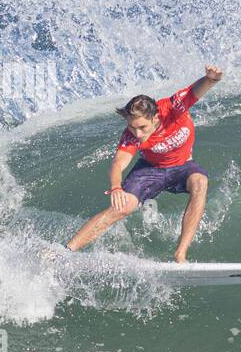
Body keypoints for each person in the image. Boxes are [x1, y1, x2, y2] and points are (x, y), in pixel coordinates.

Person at [65, 65, 224, 263]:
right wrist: (116, 188)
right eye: (132, 127)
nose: (137, 134)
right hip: (149, 170)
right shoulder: (131, 136)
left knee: (200, 182)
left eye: (142, 127)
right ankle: (66, 251)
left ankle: (180, 254)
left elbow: (196, 90)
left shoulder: (173, 108)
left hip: (183, 166)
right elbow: (118, 163)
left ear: (155, 117)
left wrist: (210, 79)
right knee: (123, 207)